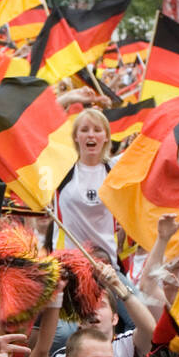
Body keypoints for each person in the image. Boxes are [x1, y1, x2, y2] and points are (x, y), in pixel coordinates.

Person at [54, 108, 118, 262]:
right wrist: (71, 96)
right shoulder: (61, 168)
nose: (91, 134)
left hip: (107, 268)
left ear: (107, 137)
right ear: (76, 137)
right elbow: (40, 129)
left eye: (97, 130)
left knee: (135, 288)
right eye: (84, 130)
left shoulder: (117, 169)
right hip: (68, 268)